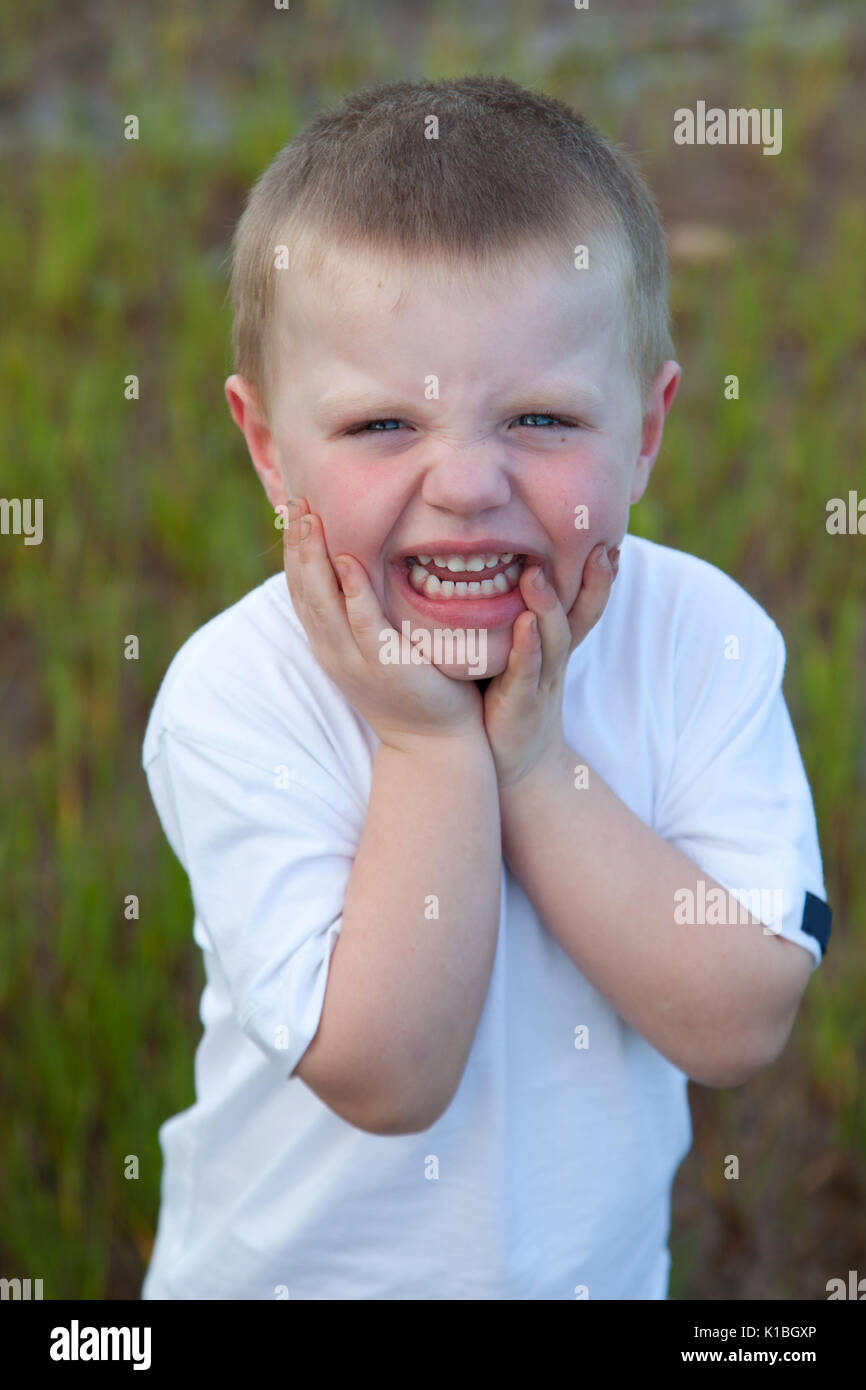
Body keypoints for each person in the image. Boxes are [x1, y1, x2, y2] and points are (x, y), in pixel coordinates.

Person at [140, 76, 831, 1300]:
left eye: (539, 417)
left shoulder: (698, 640)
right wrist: (429, 752)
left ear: (646, 430)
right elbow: (389, 1076)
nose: (464, 483)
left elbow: (738, 1021)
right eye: (380, 428)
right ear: (264, 444)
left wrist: (534, 764)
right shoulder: (238, 693)